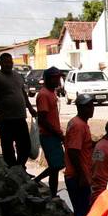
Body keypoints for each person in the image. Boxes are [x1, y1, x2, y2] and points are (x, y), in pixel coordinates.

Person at [0, 52, 36, 166]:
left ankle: (20, 167)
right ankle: (12, 168)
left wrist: (30, 108)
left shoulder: (17, 75)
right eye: (6, 62)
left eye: (10, 62)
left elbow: (23, 92)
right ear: (0, 63)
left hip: (19, 116)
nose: (8, 64)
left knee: (24, 144)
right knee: (8, 145)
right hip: (5, 118)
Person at [33, 66, 66, 197]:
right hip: (48, 136)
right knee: (56, 165)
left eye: (59, 78)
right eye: (56, 78)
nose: (58, 81)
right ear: (48, 79)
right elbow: (42, 119)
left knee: (56, 166)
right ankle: (39, 182)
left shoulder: (51, 93)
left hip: (53, 135)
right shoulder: (44, 95)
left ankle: (52, 192)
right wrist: (56, 133)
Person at [63, 93, 96, 216]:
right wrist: (81, 174)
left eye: (92, 105)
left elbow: (81, 146)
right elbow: (73, 151)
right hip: (76, 176)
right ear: (80, 108)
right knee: (83, 213)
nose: (91, 109)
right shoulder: (79, 126)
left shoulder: (78, 123)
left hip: (77, 174)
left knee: (82, 211)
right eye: (88, 106)